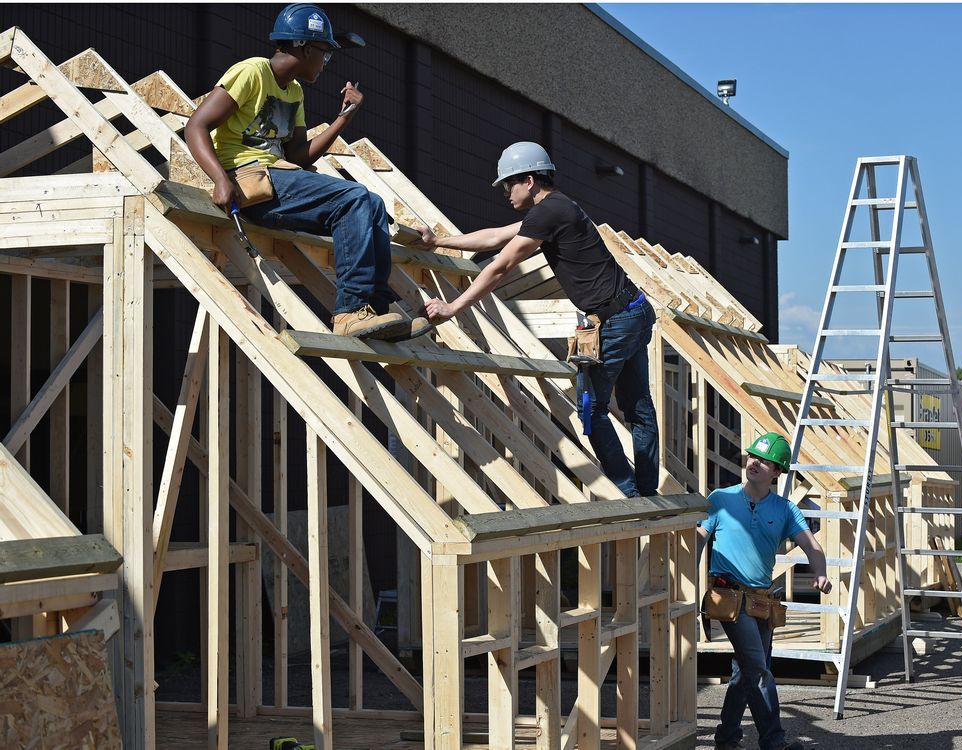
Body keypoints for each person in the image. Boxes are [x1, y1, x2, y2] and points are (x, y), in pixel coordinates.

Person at [418, 142, 659, 498]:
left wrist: (453, 308)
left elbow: (500, 266)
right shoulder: (556, 208)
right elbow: (495, 236)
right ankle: (648, 489)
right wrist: (439, 241)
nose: (505, 192)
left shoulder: (548, 212)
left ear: (529, 181)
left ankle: (629, 492)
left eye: (508, 184)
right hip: (635, 310)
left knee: (591, 410)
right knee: (638, 406)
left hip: (615, 321)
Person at [185, 3, 429, 341]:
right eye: (325, 53)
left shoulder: (295, 91)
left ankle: (375, 310)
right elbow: (196, 126)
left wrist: (344, 117)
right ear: (303, 47)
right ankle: (350, 311)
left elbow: (298, 156)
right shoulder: (252, 72)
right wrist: (219, 179)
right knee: (355, 197)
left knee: (372, 203)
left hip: (280, 178)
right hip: (250, 180)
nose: (326, 62)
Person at [696, 432, 832, 750]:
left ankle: (727, 739)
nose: (754, 463)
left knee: (744, 672)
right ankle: (774, 743)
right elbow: (698, 540)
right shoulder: (720, 499)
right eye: (753, 457)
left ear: (777, 472)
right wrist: (685, 587)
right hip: (728, 598)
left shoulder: (785, 509)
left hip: (762, 601)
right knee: (758, 670)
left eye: (764, 461)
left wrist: (821, 573)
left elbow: (812, 546)